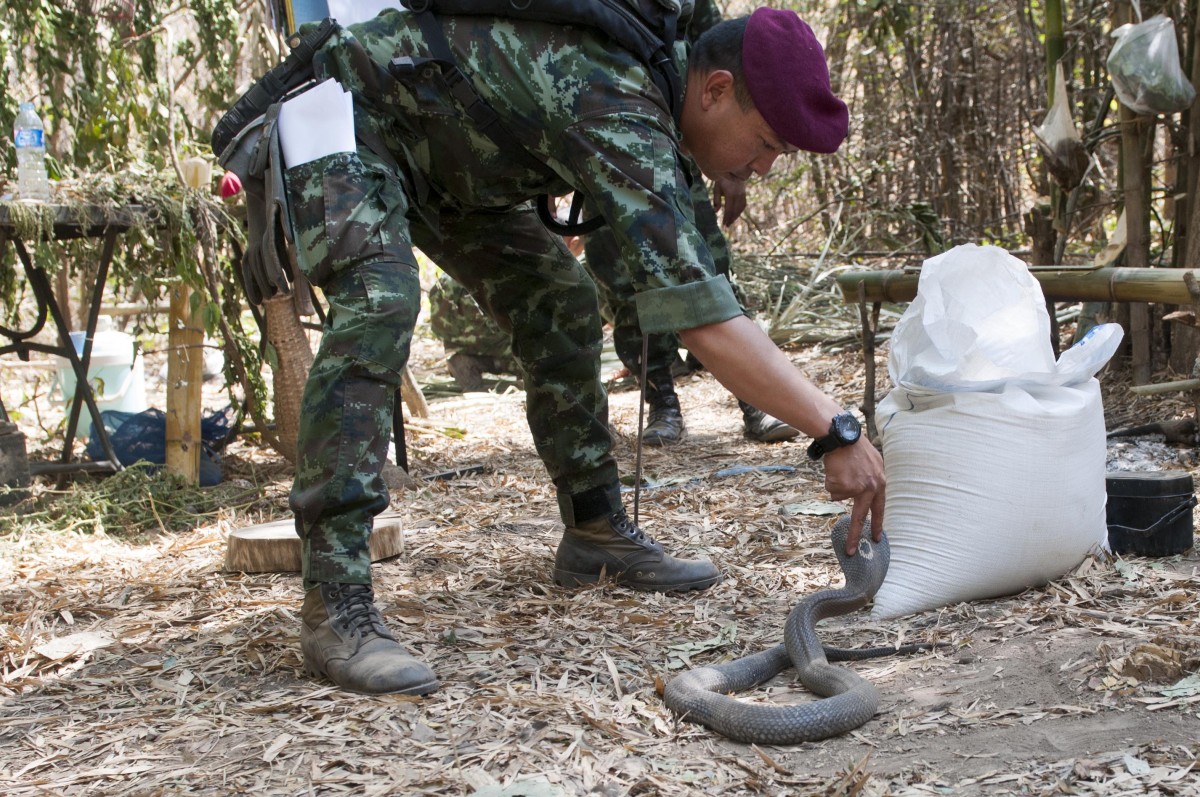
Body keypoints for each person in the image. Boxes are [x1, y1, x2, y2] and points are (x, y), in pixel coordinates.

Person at [228, 5, 885, 696]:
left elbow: (703, 282)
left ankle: (595, 530)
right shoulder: (615, 97)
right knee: (380, 299)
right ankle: (336, 601)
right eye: (766, 142)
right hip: (348, 116)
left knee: (560, 301)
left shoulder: (655, 83)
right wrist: (834, 427)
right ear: (715, 90)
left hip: (452, 160)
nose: (763, 164)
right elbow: (704, 322)